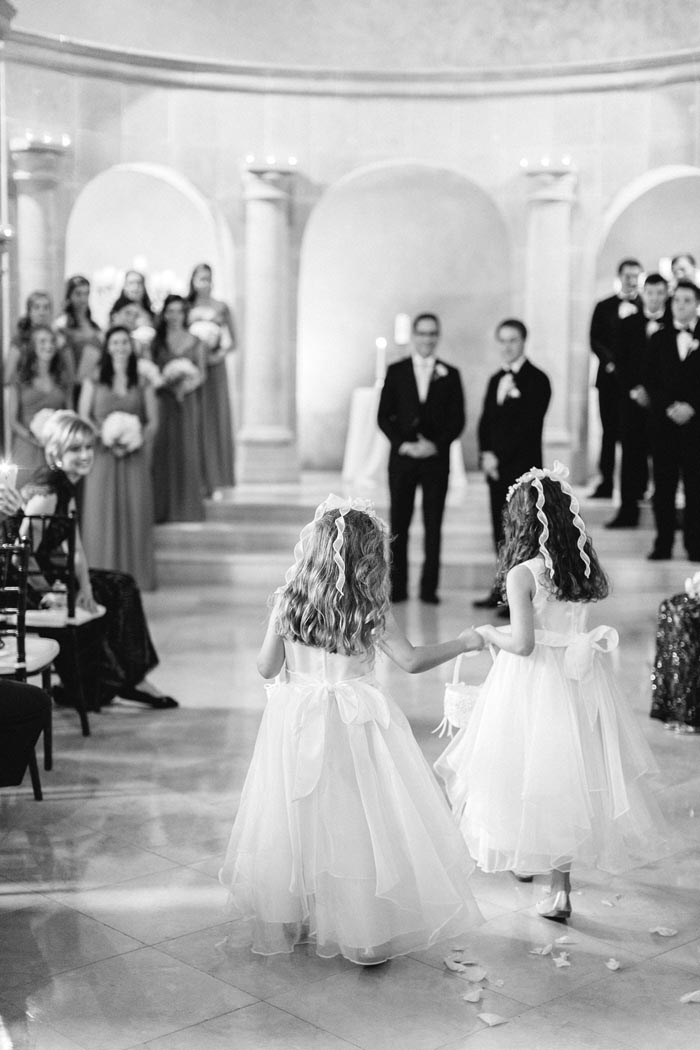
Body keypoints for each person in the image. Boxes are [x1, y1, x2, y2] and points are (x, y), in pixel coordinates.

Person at [219, 494, 483, 964]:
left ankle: (295, 913)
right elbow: (412, 660)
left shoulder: (288, 600)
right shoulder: (370, 606)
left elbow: (265, 667)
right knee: (355, 818)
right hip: (354, 720)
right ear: (369, 557)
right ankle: (360, 927)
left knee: (295, 813)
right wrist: (462, 642)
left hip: (296, 719)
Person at [435, 462, 670, 922]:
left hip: (533, 682)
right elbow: (558, 628)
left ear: (520, 521)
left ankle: (525, 855)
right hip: (578, 680)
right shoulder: (580, 566)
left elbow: (522, 644)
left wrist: (487, 633)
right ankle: (559, 889)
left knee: (523, 771)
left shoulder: (523, 574)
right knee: (567, 778)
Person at [0, 411, 177, 710]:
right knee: (119, 589)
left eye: (87, 447)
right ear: (55, 452)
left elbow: (76, 547)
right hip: (23, 588)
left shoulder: (66, 485)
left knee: (118, 585)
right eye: (75, 449)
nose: (85, 455)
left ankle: (115, 681)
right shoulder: (49, 490)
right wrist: (49, 597)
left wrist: (87, 589)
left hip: (48, 578)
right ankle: (110, 684)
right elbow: (21, 558)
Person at [377, 312, 465, 604]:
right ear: (414, 336)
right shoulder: (396, 370)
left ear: (437, 337)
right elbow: (383, 416)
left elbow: (458, 419)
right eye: (422, 333)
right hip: (403, 460)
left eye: (432, 334)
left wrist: (435, 445)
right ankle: (398, 587)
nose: (427, 339)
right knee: (399, 524)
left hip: (435, 461)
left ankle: (429, 589)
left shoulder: (450, 374)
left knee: (433, 523)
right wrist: (403, 444)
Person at [474, 318, 551, 609]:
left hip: (522, 469)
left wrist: (499, 456)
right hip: (496, 470)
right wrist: (485, 455)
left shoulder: (538, 379)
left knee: (523, 533)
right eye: (503, 340)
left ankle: (520, 599)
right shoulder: (496, 379)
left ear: (523, 341)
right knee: (501, 532)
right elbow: (486, 421)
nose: (507, 346)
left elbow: (528, 427)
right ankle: (500, 592)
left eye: (513, 340)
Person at [79, 327, 159, 590]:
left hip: (132, 457)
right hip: (102, 456)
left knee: (135, 512)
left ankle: (136, 576)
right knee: (100, 515)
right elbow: (84, 417)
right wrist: (105, 436)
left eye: (125, 342)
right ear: (107, 346)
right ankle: (100, 578)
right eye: (115, 342)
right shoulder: (94, 378)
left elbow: (152, 421)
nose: (120, 347)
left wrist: (133, 440)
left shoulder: (142, 380)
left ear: (131, 346)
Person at [605, 272, 668, 529]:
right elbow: (620, 360)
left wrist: (656, 395)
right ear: (643, 294)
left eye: (659, 293)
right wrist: (634, 390)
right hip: (632, 401)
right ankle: (627, 511)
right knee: (631, 455)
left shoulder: (676, 324)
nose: (654, 298)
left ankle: (666, 514)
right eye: (649, 293)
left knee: (665, 458)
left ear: (666, 294)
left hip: (663, 403)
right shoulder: (628, 323)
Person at [643, 279, 700, 560]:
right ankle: (662, 543)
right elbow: (649, 379)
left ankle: (695, 544)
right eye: (677, 301)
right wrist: (669, 406)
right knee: (663, 487)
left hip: (696, 424)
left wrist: (692, 406)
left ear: (697, 305)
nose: (681, 305)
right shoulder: (658, 338)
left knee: (696, 486)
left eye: (687, 301)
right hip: (663, 425)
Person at [151, 294, 207, 522]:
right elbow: (150, 371)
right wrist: (165, 383)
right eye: (170, 311)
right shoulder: (157, 342)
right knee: (162, 450)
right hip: (163, 400)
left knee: (186, 449)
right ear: (164, 314)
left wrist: (185, 387)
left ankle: (186, 508)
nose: (174, 316)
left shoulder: (196, 341)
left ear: (185, 314)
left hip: (187, 402)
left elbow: (202, 373)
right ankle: (162, 508)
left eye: (178, 311)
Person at [589, 258, 642, 498]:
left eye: (635, 275)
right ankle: (606, 482)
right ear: (619, 277)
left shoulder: (645, 306)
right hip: (609, 380)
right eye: (627, 275)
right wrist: (610, 363)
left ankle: (639, 485)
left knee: (637, 434)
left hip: (635, 382)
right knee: (609, 431)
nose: (631, 280)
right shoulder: (604, 306)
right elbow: (595, 339)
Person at [186, 262, 236, 492]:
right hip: (193, 367)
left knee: (214, 419)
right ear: (193, 281)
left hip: (215, 368)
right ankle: (196, 478)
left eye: (208, 278)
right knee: (194, 419)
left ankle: (216, 478)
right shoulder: (186, 307)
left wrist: (218, 355)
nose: (204, 282)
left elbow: (233, 341)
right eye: (200, 278)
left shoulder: (221, 307)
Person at [8, 326, 71, 483]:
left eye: (52, 341)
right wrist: (35, 438)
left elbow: (70, 414)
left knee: (56, 497)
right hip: (27, 446)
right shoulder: (20, 378)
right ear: (33, 346)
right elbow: (12, 420)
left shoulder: (62, 378)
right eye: (42, 341)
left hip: (56, 449)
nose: (48, 345)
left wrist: (58, 439)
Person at [5, 291, 73, 389]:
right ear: (29, 312)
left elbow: (71, 374)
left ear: (51, 311)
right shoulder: (20, 340)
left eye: (46, 308)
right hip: (27, 394)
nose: (42, 312)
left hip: (55, 393)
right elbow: (7, 378)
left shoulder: (60, 338)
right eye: (36, 307)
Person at [53, 275, 103, 391]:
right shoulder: (61, 324)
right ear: (69, 296)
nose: (83, 299)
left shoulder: (94, 325)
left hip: (90, 386)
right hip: (70, 385)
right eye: (78, 294)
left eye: (86, 294)